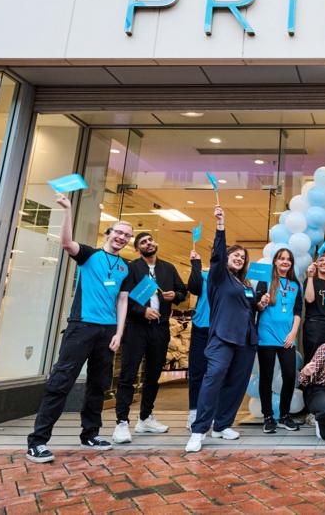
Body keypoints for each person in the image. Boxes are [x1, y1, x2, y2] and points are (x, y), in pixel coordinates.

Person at [26, 193, 131, 463]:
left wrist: (119, 333)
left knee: (98, 385)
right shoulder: (89, 255)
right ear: (108, 233)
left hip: (108, 331)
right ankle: (37, 441)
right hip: (81, 327)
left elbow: (122, 301)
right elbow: (66, 243)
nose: (122, 237)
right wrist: (68, 210)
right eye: (118, 232)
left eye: (126, 236)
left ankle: (90, 434)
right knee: (61, 382)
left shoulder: (124, 267)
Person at [186, 206, 270, 453]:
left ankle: (222, 425)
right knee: (213, 379)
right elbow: (217, 255)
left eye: (243, 257)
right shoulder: (218, 277)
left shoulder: (244, 284)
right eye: (236, 254)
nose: (240, 258)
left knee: (237, 383)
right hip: (222, 337)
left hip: (246, 339)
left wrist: (259, 304)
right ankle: (199, 430)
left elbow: (247, 308)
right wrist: (221, 226)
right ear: (226, 257)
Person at [113, 232, 187, 443]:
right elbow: (122, 298)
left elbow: (182, 291)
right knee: (128, 373)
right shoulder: (131, 268)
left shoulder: (168, 268)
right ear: (138, 249)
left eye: (150, 240)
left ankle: (145, 418)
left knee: (153, 375)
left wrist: (175, 295)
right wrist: (142, 311)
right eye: (143, 242)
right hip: (136, 328)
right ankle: (121, 422)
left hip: (160, 328)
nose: (148, 244)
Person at [255, 247, 303, 433]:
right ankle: (268, 417)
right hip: (266, 334)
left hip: (287, 337)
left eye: (288, 259)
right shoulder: (265, 280)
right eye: (281, 258)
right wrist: (262, 302)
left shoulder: (295, 284)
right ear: (275, 261)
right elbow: (257, 306)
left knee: (290, 375)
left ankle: (284, 415)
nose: (285, 261)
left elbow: (298, 311)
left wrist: (293, 333)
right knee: (266, 377)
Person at [185, 250, 209, 430]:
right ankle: (194, 411)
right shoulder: (205, 276)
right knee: (197, 372)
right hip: (202, 328)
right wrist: (196, 264)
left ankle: (211, 412)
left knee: (218, 374)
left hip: (223, 331)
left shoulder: (235, 280)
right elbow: (193, 287)